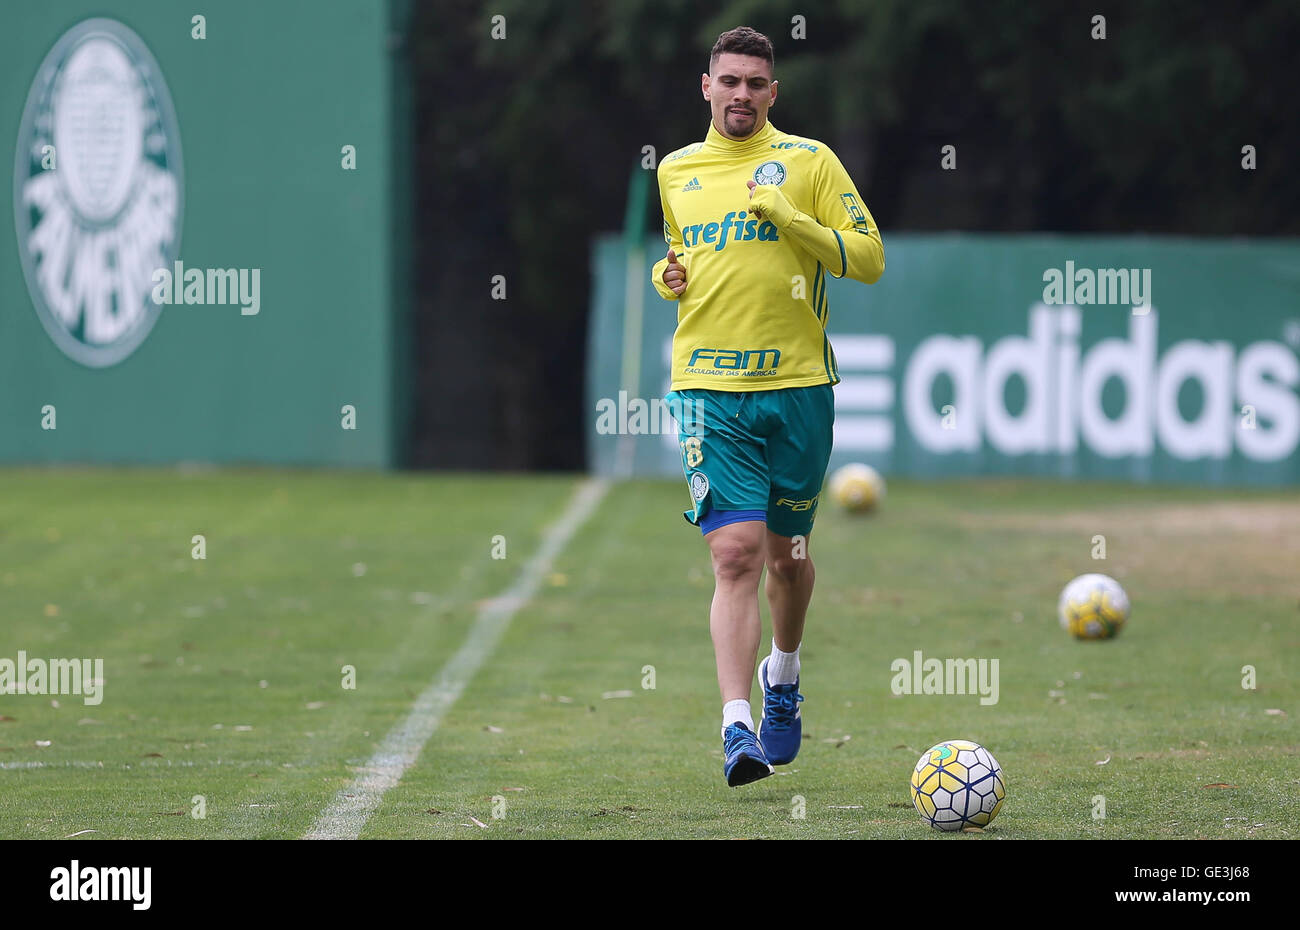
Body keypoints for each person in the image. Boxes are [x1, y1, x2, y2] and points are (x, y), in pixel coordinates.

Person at [652, 25, 885, 786]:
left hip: (797, 390)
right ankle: (735, 726)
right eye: (730, 81)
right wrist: (669, 277)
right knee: (734, 553)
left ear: (773, 92)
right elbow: (682, 256)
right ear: (706, 86)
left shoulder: (809, 162)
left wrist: (788, 216)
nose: (742, 95)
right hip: (709, 387)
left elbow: (868, 259)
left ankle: (782, 676)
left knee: (789, 556)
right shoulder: (678, 171)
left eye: (757, 83)